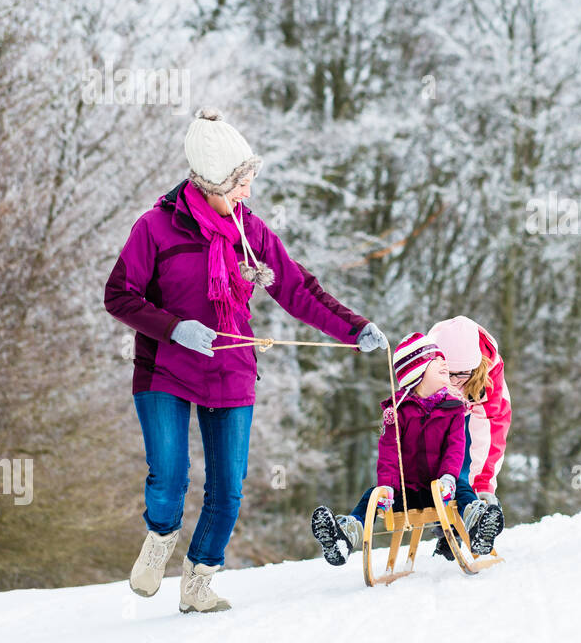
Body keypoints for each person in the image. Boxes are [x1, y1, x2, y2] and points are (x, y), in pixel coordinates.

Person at [105, 108, 387, 612]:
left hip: (229, 369)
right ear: (209, 180)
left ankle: (197, 584)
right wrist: (174, 328)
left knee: (227, 489)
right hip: (165, 369)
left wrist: (355, 327)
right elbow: (118, 296)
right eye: (239, 182)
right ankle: (160, 537)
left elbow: (299, 289)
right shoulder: (155, 229)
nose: (247, 193)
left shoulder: (250, 233)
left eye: (249, 181)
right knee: (169, 477)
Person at [310, 332, 500, 564]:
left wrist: (449, 476)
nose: (444, 363)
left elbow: (455, 448)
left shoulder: (453, 409)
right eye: (436, 359)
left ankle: (477, 524)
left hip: (442, 489)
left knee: (463, 488)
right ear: (417, 371)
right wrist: (387, 487)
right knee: (372, 495)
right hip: (405, 491)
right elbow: (389, 453)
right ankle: (345, 535)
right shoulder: (397, 412)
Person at [426, 315, 510, 559]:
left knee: (467, 463)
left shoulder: (489, 375)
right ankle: (446, 527)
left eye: (461, 374)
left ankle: (478, 518)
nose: (454, 381)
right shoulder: (426, 366)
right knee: (444, 464)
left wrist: (483, 484)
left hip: (481, 415)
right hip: (442, 412)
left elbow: (490, 434)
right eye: (448, 373)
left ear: (475, 367)